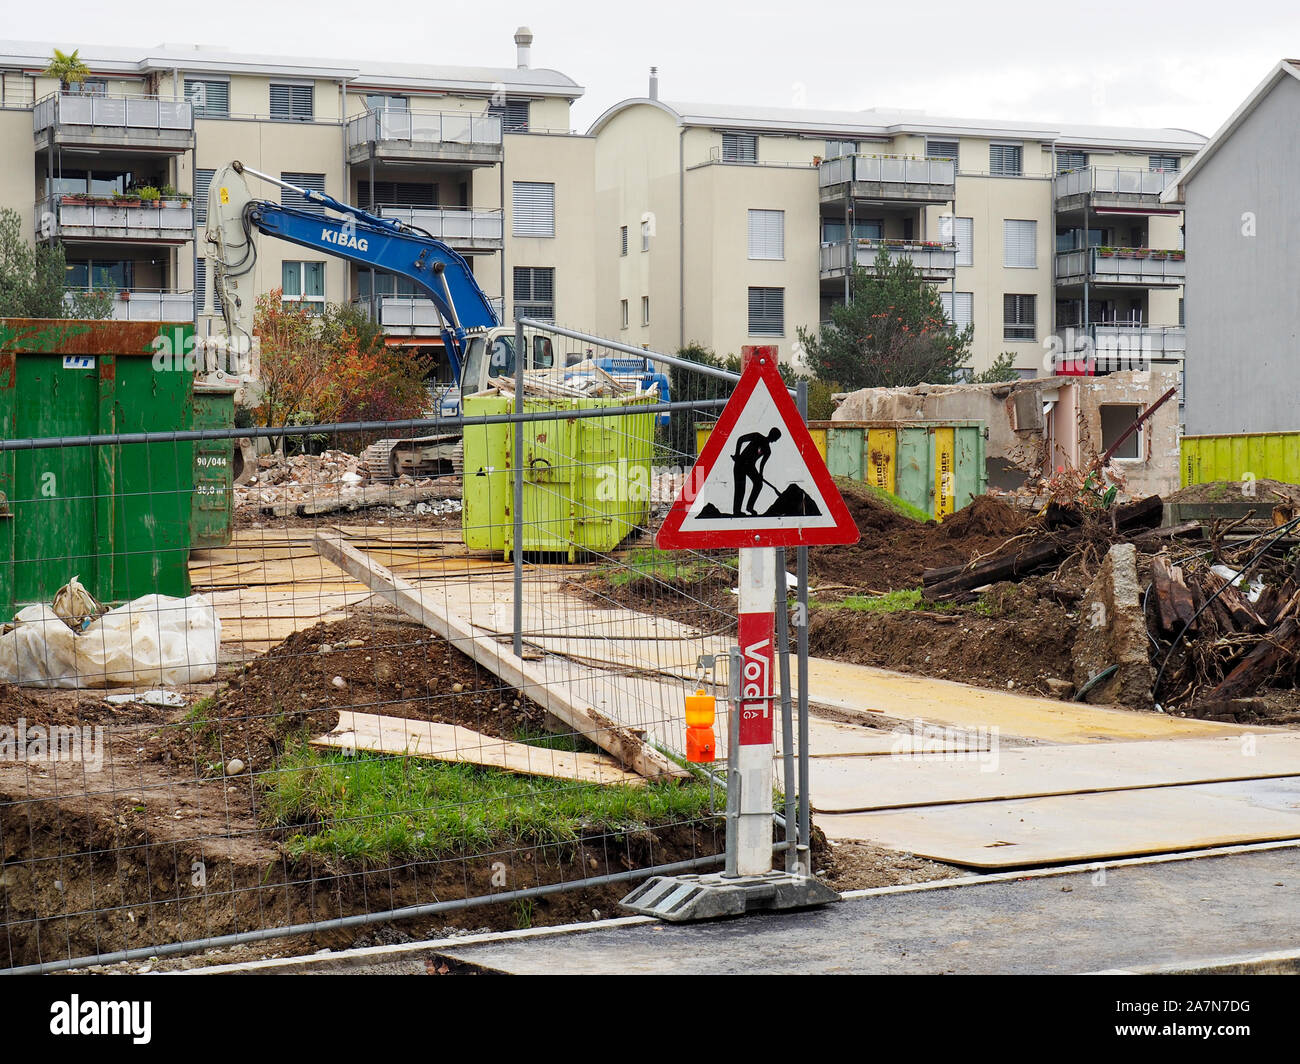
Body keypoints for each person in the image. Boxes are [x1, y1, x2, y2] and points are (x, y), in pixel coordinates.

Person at [731, 427, 781, 516]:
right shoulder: (757, 436)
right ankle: (736, 511)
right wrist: (737, 454)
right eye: (776, 438)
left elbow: (762, 464)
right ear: (772, 435)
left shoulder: (768, 451)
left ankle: (750, 507)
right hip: (741, 463)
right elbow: (740, 439)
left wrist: (760, 475)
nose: (775, 441)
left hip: (750, 466)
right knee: (740, 488)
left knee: (758, 483)